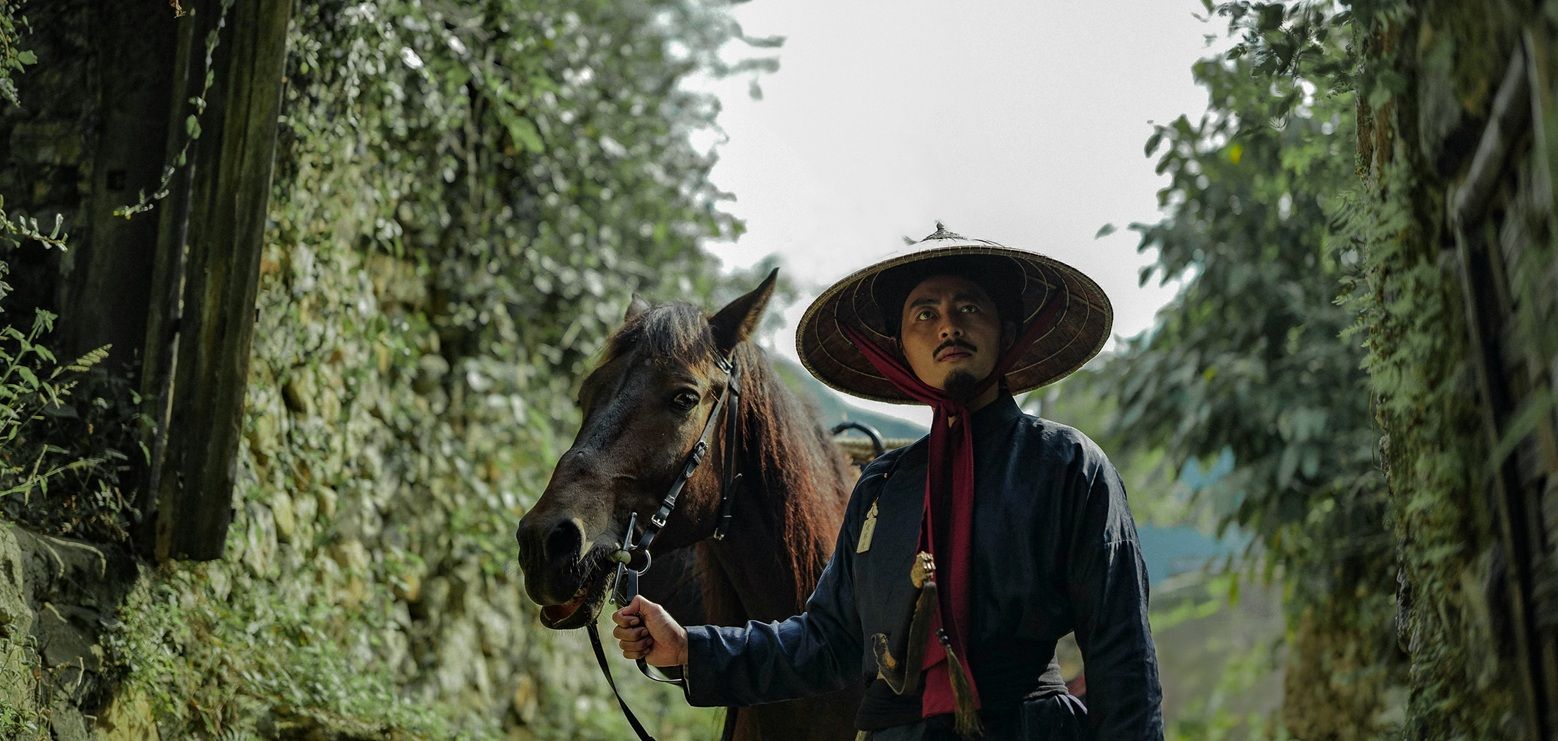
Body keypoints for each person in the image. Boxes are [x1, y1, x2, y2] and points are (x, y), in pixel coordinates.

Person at [613, 224, 1163, 739]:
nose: (948, 325)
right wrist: (690, 649)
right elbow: (827, 642)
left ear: (1009, 331)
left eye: (969, 307)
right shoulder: (883, 488)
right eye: (924, 313)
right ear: (900, 349)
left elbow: (1122, 658)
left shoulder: (1067, 466)